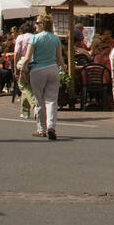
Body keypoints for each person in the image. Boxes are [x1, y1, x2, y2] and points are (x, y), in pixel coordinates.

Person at [20, 13, 64, 141]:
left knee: (39, 100)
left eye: (38, 23)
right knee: (52, 100)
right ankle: (51, 126)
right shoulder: (56, 39)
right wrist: (65, 69)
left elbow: (27, 57)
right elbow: (59, 58)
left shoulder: (35, 38)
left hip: (38, 69)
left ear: (43, 24)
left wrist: (22, 70)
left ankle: (41, 129)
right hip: (53, 69)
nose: (35, 25)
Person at [13, 22, 36, 117]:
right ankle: (24, 111)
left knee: (22, 85)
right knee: (28, 85)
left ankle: (35, 105)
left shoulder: (20, 37)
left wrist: (15, 67)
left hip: (23, 62)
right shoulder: (35, 37)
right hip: (34, 63)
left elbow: (17, 53)